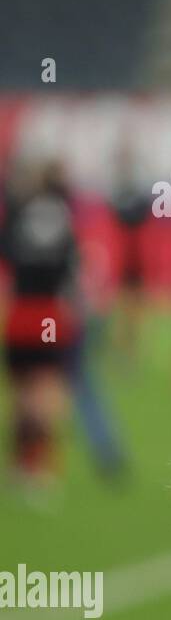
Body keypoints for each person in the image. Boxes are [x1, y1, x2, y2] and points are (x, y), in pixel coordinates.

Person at [0, 161, 83, 497]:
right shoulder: (63, 215)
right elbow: (71, 270)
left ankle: (20, 464)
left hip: (20, 311)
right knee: (47, 389)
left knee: (20, 392)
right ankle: (42, 464)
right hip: (49, 314)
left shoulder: (17, 213)